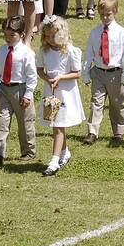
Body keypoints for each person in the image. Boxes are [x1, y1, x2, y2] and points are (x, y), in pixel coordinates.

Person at [37, 17, 84, 177]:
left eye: (54, 36)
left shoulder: (70, 50)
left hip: (65, 94)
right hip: (51, 93)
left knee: (58, 126)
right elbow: (39, 69)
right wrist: (47, 79)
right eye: (48, 36)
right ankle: (64, 152)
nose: (50, 40)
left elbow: (77, 73)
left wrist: (60, 78)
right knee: (56, 125)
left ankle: (54, 160)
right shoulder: (44, 51)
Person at [0, 17, 37, 167]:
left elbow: (32, 76)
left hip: (20, 90)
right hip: (4, 90)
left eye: (12, 35)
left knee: (25, 123)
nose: (8, 39)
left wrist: (28, 94)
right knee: (3, 122)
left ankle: (28, 151)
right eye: (6, 35)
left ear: (21, 34)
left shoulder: (26, 53)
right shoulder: (1, 51)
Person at [84, 0, 124, 144]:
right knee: (96, 103)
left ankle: (118, 131)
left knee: (117, 103)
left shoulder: (122, 33)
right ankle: (92, 132)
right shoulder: (94, 32)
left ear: (115, 12)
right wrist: (85, 74)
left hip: (115, 73)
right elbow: (89, 54)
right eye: (102, 14)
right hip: (98, 72)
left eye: (108, 14)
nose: (105, 18)